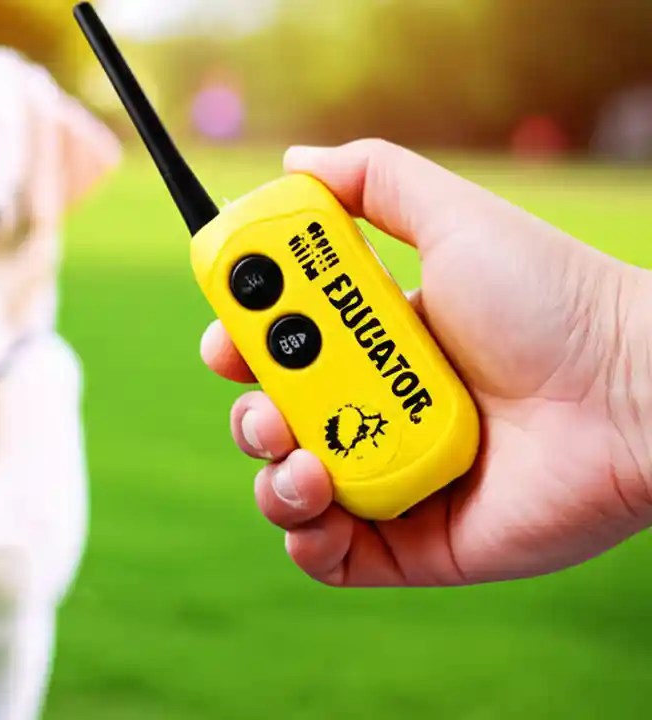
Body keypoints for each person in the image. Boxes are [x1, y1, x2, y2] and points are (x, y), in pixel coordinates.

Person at [198, 139, 652, 587]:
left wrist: (615, 364)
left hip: (451, 437)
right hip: (441, 440)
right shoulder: (295, 206)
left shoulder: (283, 215)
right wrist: (616, 377)